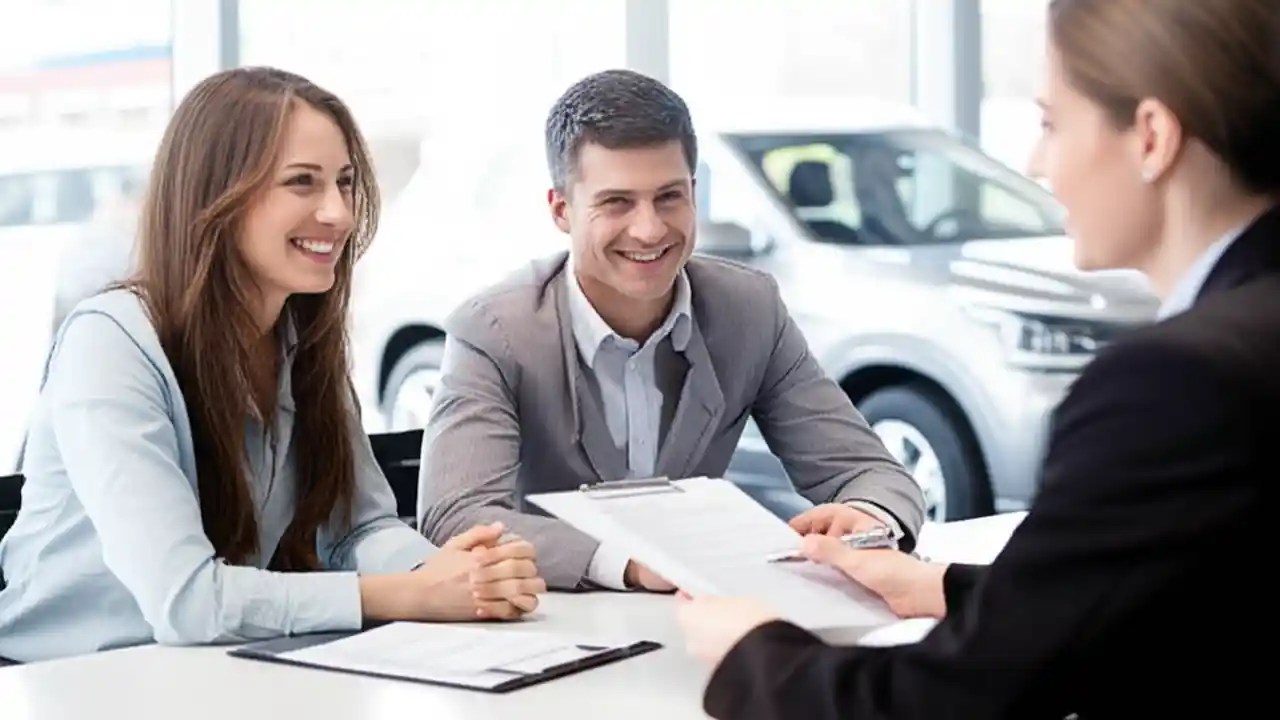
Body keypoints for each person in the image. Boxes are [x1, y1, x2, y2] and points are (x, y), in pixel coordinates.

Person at [675, 0, 1280, 716]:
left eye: (1051, 124)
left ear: (1150, 136)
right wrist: (934, 585)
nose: (1035, 165)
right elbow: (1169, 597)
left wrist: (753, 654)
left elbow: (960, 699)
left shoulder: (1175, 381)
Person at [0, 67, 545, 664]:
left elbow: (359, 529)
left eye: (344, 182)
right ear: (218, 197)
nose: (338, 213)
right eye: (302, 183)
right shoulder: (109, 345)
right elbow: (188, 601)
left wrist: (452, 572)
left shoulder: (300, 336)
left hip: (216, 671)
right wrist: (406, 593)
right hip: (69, 680)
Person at [417, 68, 926, 592]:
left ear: (694, 193)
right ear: (562, 210)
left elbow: (876, 476)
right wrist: (629, 563)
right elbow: (456, 516)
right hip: (550, 622)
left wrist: (869, 516)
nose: (650, 228)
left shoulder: (749, 310)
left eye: (669, 197)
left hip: (700, 622)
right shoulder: (495, 330)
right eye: (617, 202)